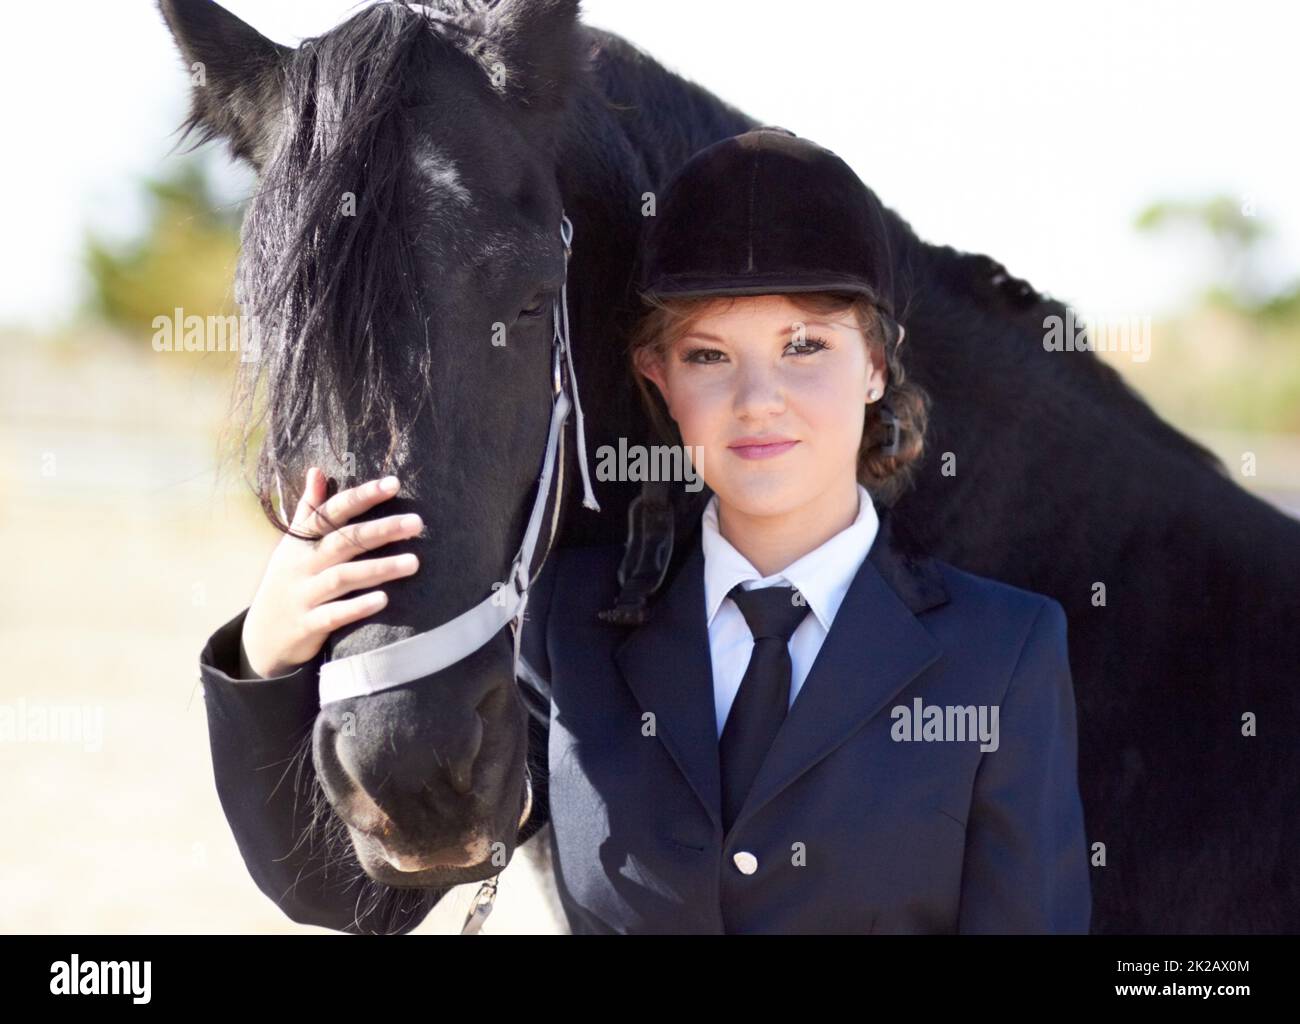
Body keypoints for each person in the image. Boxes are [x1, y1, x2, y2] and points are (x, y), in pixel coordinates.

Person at [198, 126, 1091, 934]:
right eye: (709, 355)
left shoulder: (1004, 651)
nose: (758, 400)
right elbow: (359, 896)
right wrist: (268, 657)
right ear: (657, 378)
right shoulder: (570, 625)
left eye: (805, 346)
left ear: (875, 367)